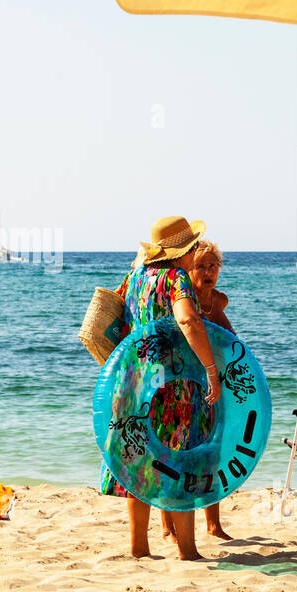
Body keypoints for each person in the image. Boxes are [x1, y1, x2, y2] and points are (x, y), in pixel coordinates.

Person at [102, 216, 221, 561]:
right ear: (184, 251)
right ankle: (187, 550)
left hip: (135, 381)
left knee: (137, 460)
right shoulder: (176, 278)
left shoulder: (134, 278)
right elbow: (187, 319)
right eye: (194, 246)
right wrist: (211, 369)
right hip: (173, 383)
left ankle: (139, 547)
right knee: (180, 459)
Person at [161, 239, 233, 542]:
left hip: (206, 385)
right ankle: (167, 526)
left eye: (212, 266)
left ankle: (213, 524)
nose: (207, 271)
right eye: (201, 265)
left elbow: (231, 338)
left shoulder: (219, 301)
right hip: (177, 382)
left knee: (211, 450)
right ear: (188, 267)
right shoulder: (181, 299)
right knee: (173, 451)